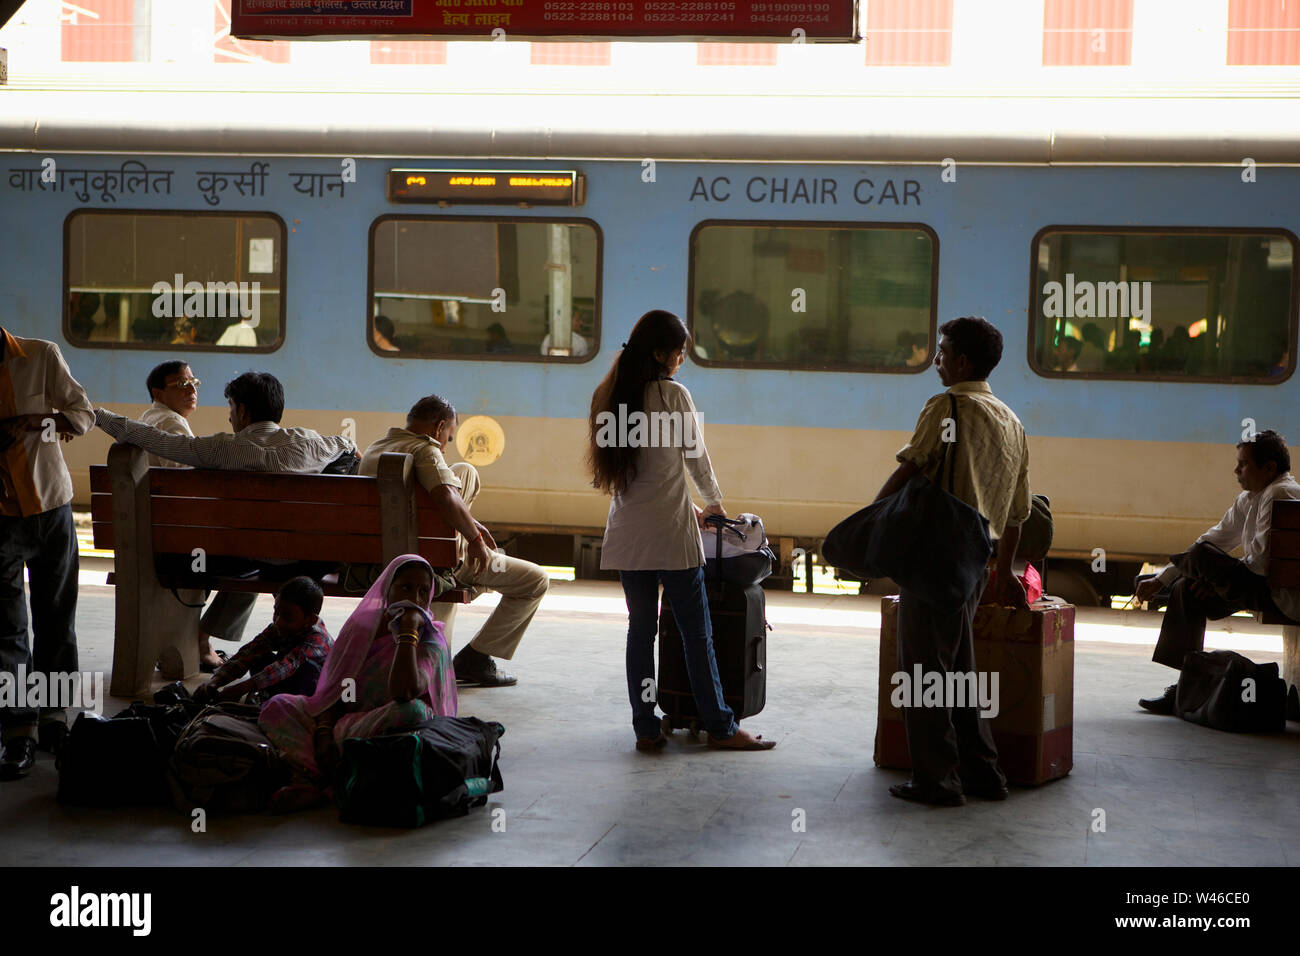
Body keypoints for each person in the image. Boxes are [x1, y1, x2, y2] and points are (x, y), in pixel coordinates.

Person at [587, 309, 775, 753]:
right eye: (679, 352)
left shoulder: (608, 395)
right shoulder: (674, 396)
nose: (681, 361)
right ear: (660, 353)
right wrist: (713, 503)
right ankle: (720, 727)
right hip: (671, 539)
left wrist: (688, 507)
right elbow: (695, 461)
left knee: (641, 631)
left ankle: (646, 728)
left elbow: (640, 477)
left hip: (629, 535)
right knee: (696, 632)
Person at [94, 371, 355, 671]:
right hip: (303, 561)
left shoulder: (222, 449)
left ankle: (191, 640)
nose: (230, 417)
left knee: (222, 545)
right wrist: (346, 448)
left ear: (242, 410)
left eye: (231, 408)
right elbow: (346, 446)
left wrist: (98, 416)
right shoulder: (311, 443)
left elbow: (157, 441)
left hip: (242, 558)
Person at [874, 316, 1031, 806]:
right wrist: (1003, 570)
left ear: (961, 361)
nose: (936, 360)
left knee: (923, 671)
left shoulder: (947, 407)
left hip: (936, 558)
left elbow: (912, 465)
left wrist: (869, 520)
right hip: (976, 561)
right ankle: (984, 773)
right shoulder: (1010, 419)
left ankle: (936, 780)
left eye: (941, 352)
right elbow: (1020, 510)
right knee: (958, 670)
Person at [359, 395, 547, 687]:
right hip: (432, 565)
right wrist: (475, 539)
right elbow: (445, 496)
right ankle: (475, 658)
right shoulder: (425, 451)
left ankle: (456, 575)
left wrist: (470, 524)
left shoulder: (376, 448)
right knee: (535, 581)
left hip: (383, 559)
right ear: (439, 427)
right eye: (448, 437)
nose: (445, 445)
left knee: (464, 472)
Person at [258, 556, 456, 812]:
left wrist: (408, 632)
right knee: (278, 706)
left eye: (423, 591)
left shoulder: (431, 639)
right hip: (348, 725)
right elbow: (331, 690)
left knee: (412, 711)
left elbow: (404, 692)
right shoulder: (362, 627)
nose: (415, 599)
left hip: (390, 728)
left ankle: (329, 778)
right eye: (406, 587)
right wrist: (324, 731)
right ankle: (319, 777)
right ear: (388, 588)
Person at [1135, 430, 1300, 714]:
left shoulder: (1279, 493)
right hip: (1259, 585)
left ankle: (1185, 689)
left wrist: (1213, 580)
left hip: (1278, 592)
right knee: (1185, 589)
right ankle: (1184, 690)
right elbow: (1216, 538)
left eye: (1244, 464)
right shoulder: (1251, 498)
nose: (1236, 470)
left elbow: (1261, 566)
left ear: (1269, 467)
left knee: (1200, 557)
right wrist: (1166, 577)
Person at [0, 327, 95, 779]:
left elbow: (82, 412)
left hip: (50, 505)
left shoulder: (40, 355)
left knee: (56, 616)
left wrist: (41, 422)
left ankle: (54, 719)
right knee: (7, 627)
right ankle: (20, 732)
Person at [194, 577, 331, 706]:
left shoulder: (317, 639)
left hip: (317, 689)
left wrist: (241, 688)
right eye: (276, 612)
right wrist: (215, 682)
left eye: (288, 617)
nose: (278, 621)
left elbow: (287, 666)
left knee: (306, 669)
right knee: (258, 656)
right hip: (289, 680)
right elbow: (249, 652)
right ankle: (270, 698)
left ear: (310, 620)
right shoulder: (279, 627)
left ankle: (292, 704)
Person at [140, 360, 198, 468]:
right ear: (157, 393)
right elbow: (184, 475)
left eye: (193, 382)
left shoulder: (147, 417)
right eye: (182, 383)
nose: (192, 390)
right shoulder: (170, 421)